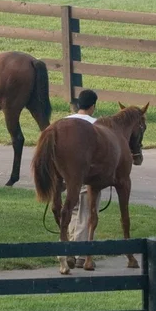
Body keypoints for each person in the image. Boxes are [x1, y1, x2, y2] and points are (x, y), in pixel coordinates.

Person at [64, 89, 101, 241]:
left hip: (66, 174)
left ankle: (71, 244)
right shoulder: (97, 125)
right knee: (86, 211)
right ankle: (78, 250)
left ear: (78, 104)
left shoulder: (63, 122)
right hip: (87, 174)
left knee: (73, 209)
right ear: (93, 106)